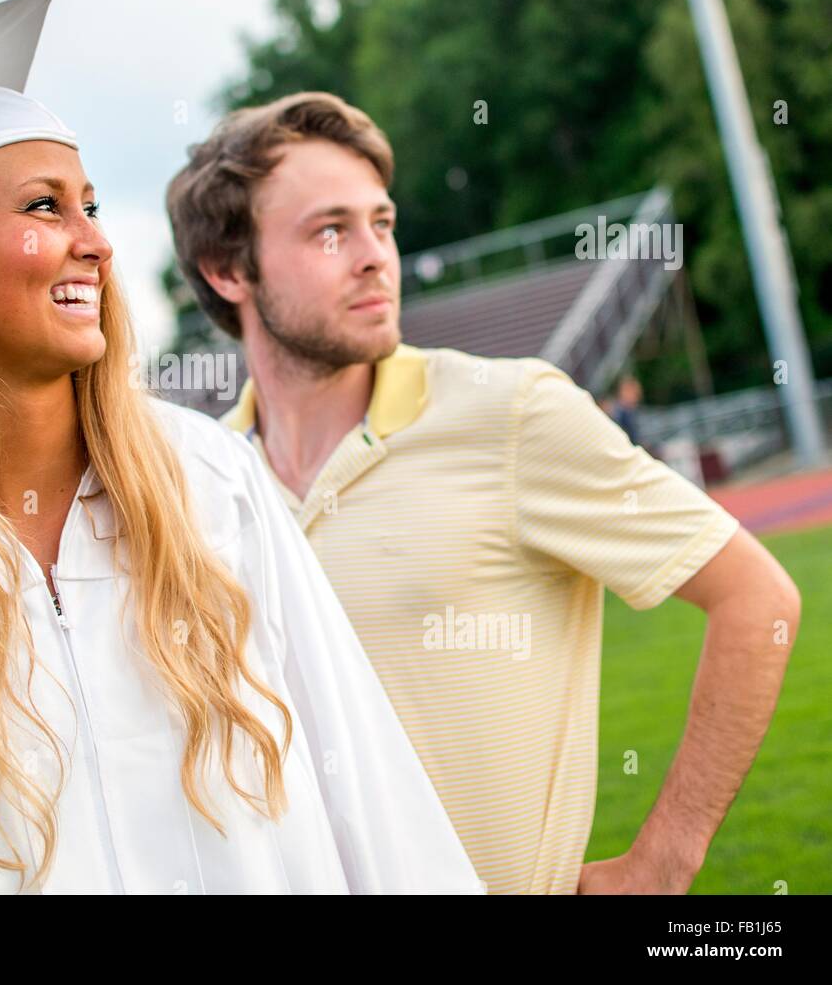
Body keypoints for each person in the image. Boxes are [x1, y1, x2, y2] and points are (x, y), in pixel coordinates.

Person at [0, 0, 483, 894]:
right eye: (45, 207)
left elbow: (368, 790)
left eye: (90, 204)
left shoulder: (209, 482)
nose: (96, 243)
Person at [166, 90, 802, 894]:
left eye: (383, 223)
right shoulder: (203, 481)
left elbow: (759, 599)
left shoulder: (512, 414)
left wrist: (663, 860)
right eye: (331, 230)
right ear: (228, 270)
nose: (375, 255)